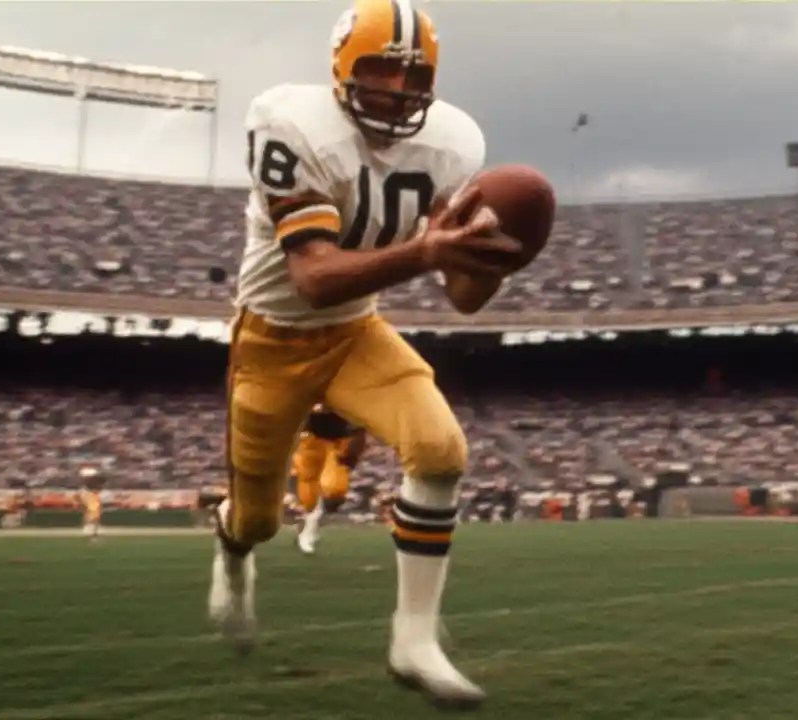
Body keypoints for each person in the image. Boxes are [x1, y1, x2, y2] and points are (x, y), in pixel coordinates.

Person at [207, 0, 527, 707]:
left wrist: (498, 257)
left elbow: (464, 298)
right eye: (379, 70)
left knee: (442, 450)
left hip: (357, 332)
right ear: (342, 71)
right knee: (259, 518)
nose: (395, 90)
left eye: (412, 76)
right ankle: (231, 549)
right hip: (271, 338)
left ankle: (414, 641)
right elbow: (314, 278)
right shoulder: (293, 123)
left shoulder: (452, 143)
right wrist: (425, 249)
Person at [291, 404, 368, 555]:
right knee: (308, 488)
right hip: (311, 434)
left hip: (341, 437)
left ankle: (312, 523)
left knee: (335, 492)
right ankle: (308, 523)